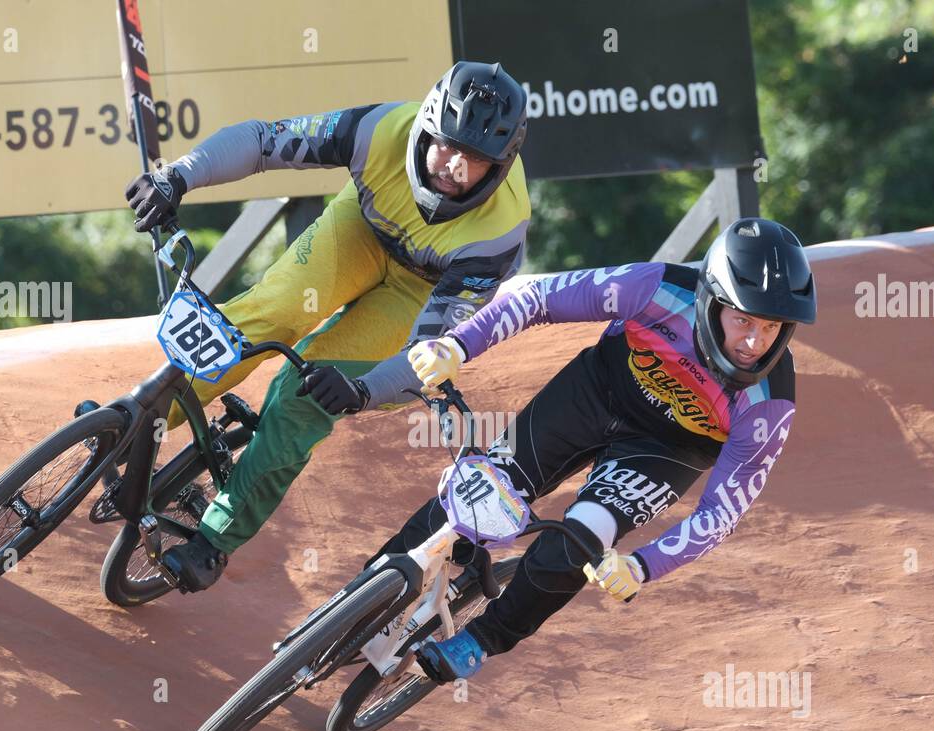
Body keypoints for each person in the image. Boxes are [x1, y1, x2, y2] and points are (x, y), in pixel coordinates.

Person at [325, 217, 815, 682]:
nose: (754, 342)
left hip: (665, 450)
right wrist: (457, 346)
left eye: (772, 327)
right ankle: (362, 599)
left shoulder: (769, 405)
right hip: (595, 391)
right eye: (743, 320)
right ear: (711, 300)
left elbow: (720, 514)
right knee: (479, 494)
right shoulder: (655, 287)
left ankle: (481, 639)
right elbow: (539, 298)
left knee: (579, 542)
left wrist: (642, 566)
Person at [123, 62, 530, 592]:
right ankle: (144, 420)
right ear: (426, 127)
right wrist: (177, 176)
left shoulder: (497, 234)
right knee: (275, 311)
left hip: (421, 292)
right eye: (448, 145)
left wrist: (360, 391)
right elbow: (263, 142)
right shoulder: (379, 131)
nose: (454, 166)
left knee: (303, 395)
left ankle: (215, 541)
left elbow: (429, 353)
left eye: (475, 160)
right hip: (361, 229)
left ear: (500, 167)